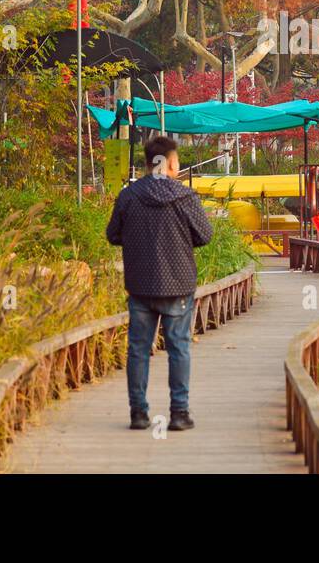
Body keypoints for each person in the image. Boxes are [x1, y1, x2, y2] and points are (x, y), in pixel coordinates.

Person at [106, 135, 212, 431]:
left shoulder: (129, 196)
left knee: (138, 349)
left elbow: (113, 234)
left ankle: (138, 413)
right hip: (177, 284)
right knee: (179, 348)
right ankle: (179, 413)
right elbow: (205, 235)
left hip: (140, 284)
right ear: (169, 163)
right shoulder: (184, 197)